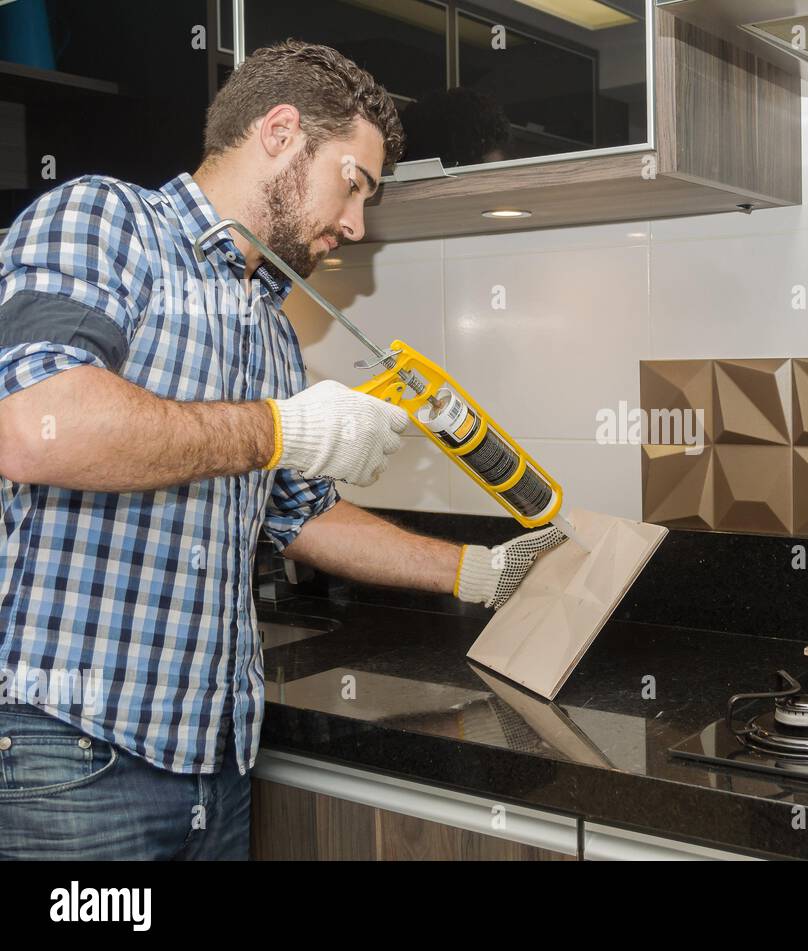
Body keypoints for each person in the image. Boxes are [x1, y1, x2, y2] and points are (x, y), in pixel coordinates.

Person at [0, 40, 563, 859]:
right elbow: (31, 423)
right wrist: (285, 428)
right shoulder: (104, 220)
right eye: (354, 182)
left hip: (214, 760)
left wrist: (472, 571)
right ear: (280, 130)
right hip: (73, 756)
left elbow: (298, 515)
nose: (354, 222)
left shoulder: (267, 325)